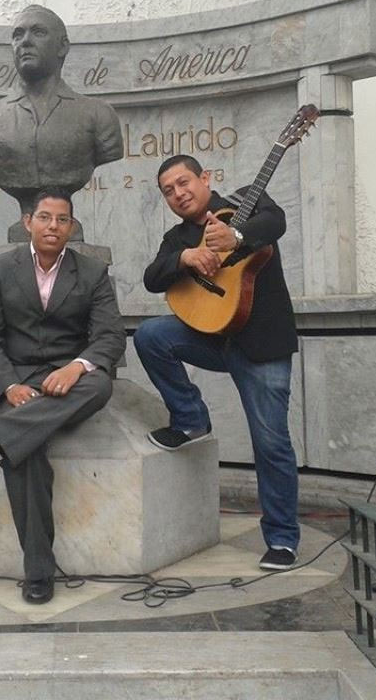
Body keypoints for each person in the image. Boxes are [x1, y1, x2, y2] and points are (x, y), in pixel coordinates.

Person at [133, 154, 300, 571]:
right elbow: (153, 277)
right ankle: (190, 419)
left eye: (184, 182)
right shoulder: (178, 237)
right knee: (151, 336)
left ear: (205, 178)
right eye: (168, 191)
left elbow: (275, 222)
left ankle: (281, 539)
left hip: (261, 345)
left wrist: (236, 235)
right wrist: (185, 259)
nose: (178, 194)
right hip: (211, 337)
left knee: (271, 444)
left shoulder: (248, 200)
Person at [0, 189, 125, 603]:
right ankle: (38, 571)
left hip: (69, 378)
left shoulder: (92, 271)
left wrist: (76, 366)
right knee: (26, 452)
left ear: (71, 226)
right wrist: (9, 386)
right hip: (18, 379)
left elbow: (110, 336)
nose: (53, 227)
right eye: (45, 218)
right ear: (29, 222)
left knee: (100, 383)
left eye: (62, 220)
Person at [0, 4, 123, 240]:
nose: (25, 41)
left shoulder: (99, 115)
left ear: (63, 46)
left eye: (38, 32)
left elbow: (110, 152)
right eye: (18, 35)